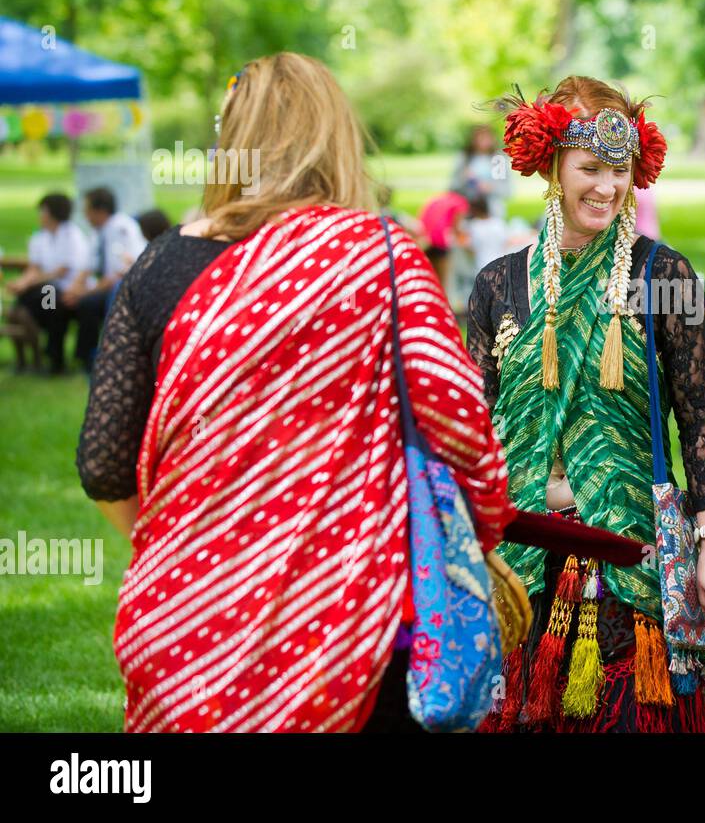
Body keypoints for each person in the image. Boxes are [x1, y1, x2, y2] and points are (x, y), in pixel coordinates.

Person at [75, 52, 515, 732]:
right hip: (354, 626)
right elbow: (459, 418)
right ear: (337, 137)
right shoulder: (382, 256)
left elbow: (103, 464)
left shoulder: (158, 266)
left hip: (186, 630)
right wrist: (484, 525)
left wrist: (193, 550)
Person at [468, 76, 705, 733]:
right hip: (522, 553)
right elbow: (473, 426)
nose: (607, 188)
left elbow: (703, 413)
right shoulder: (498, 283)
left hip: (629, 556)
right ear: (551, 166)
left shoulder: (662, 277)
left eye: (619, 171)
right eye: (590, 168)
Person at [65, 186, 147, 374]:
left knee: (87, 304)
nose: (85, 216)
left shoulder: (121, 229)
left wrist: (82, 293)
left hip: (124, 290)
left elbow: (117, 275)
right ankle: (75, 357)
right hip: (102, 288)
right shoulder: (98, 232)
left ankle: (97, 357)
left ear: (100, 211)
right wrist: (73, 290)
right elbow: (88, 266)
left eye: (87, 211)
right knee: (57, 302)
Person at [6, 193, 90, 375]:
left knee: (47, 303)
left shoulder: (71, 235)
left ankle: (53, 359)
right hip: (46, 290)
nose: (40, 215)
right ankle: (30, 357)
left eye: (43, 211)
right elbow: (34, 267)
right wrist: (21, 282)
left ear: (52, 213)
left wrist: (30, 282)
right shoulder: (40, 237)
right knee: (23, 303)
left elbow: (62, 271)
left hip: (66, 290)